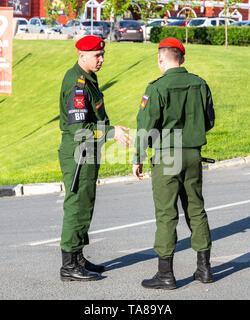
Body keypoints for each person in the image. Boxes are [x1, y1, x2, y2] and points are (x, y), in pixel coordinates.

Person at [132, 38, 215, 290]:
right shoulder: (200, 84)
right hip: (192, 154)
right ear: (182, 58)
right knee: (196, 208)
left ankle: (165, 274)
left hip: (167, 155)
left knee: (167, 213)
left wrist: (138, 157)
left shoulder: (156, 88)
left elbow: (145, 126)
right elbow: (209, 120)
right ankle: (204, 269)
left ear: (161, 59)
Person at [58, 35, 132, 282]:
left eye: (102, 55)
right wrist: (112, 133)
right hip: (78, 153)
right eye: (96, 56)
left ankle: (78, 257)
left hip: (89, 151)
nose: (101, 59)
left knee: (85, 206)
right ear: (81, 55)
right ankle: (68, 266)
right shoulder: (78, 83)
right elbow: (78, 127)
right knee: (76, 207)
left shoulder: (89, 78)